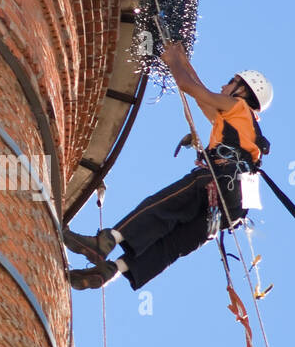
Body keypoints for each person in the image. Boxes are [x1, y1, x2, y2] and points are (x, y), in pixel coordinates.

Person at [65, 44, 273, 291]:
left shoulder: (236, 106)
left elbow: (190, 88)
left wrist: (172, 60)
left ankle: (105, 242)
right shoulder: (244, 125)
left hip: (216, 180)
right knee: (172, 244)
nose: (223, 87)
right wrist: (183, 62)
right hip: (231, 211)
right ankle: (111, 270)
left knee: (162, 206)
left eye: (230, 82)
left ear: (243, 91)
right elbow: (200, 97)